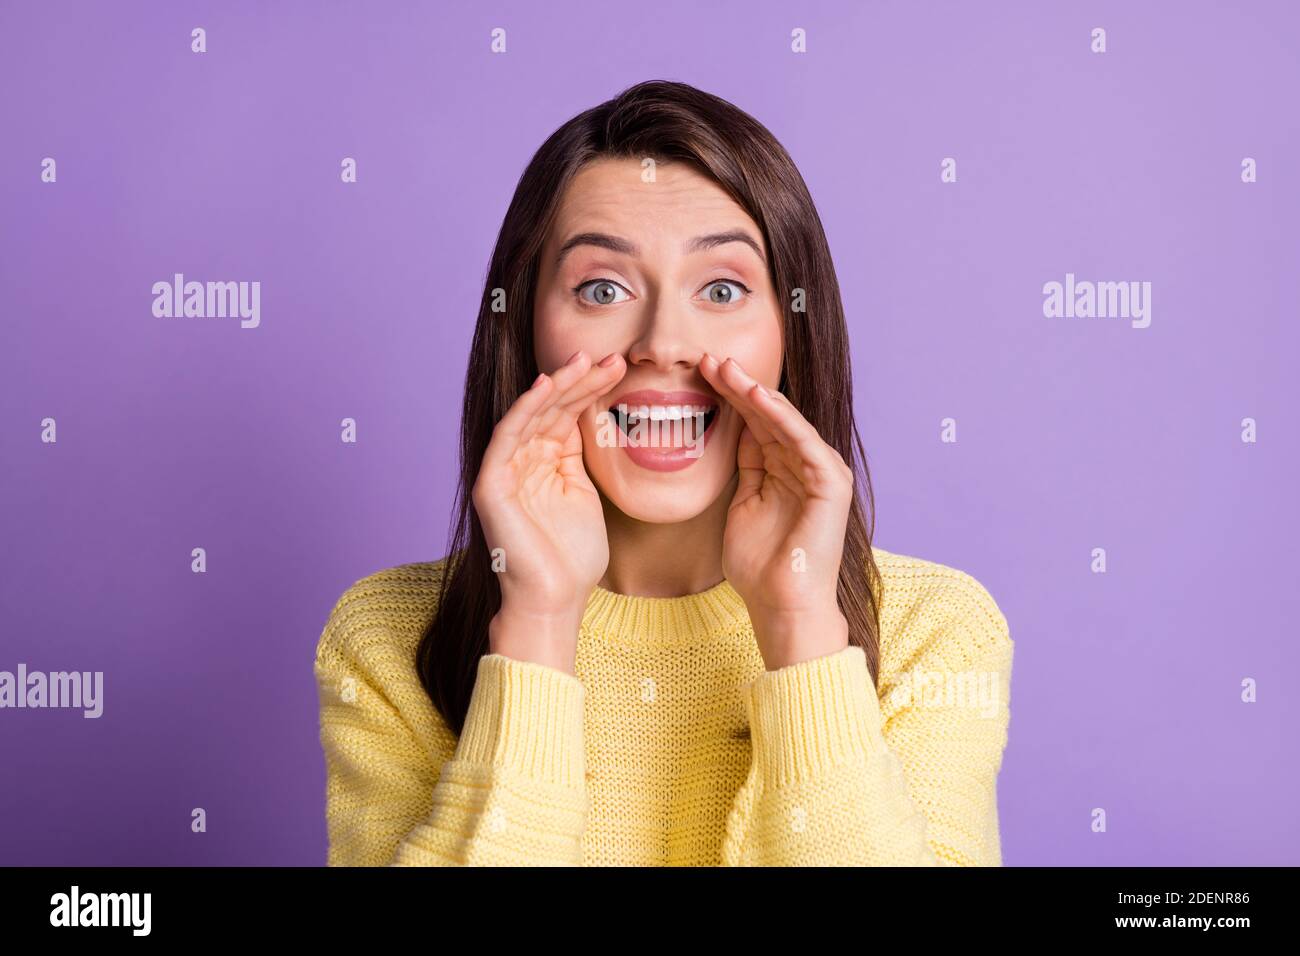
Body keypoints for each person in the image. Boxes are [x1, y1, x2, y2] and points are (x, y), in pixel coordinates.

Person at [313, 79, 1014, 866]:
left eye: (721, 289)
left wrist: (801, 630)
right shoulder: (386, 640)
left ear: (790, 333)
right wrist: (538, 629)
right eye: (602, 289)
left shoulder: (936, 635)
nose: (663, 342)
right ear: (529, 331)